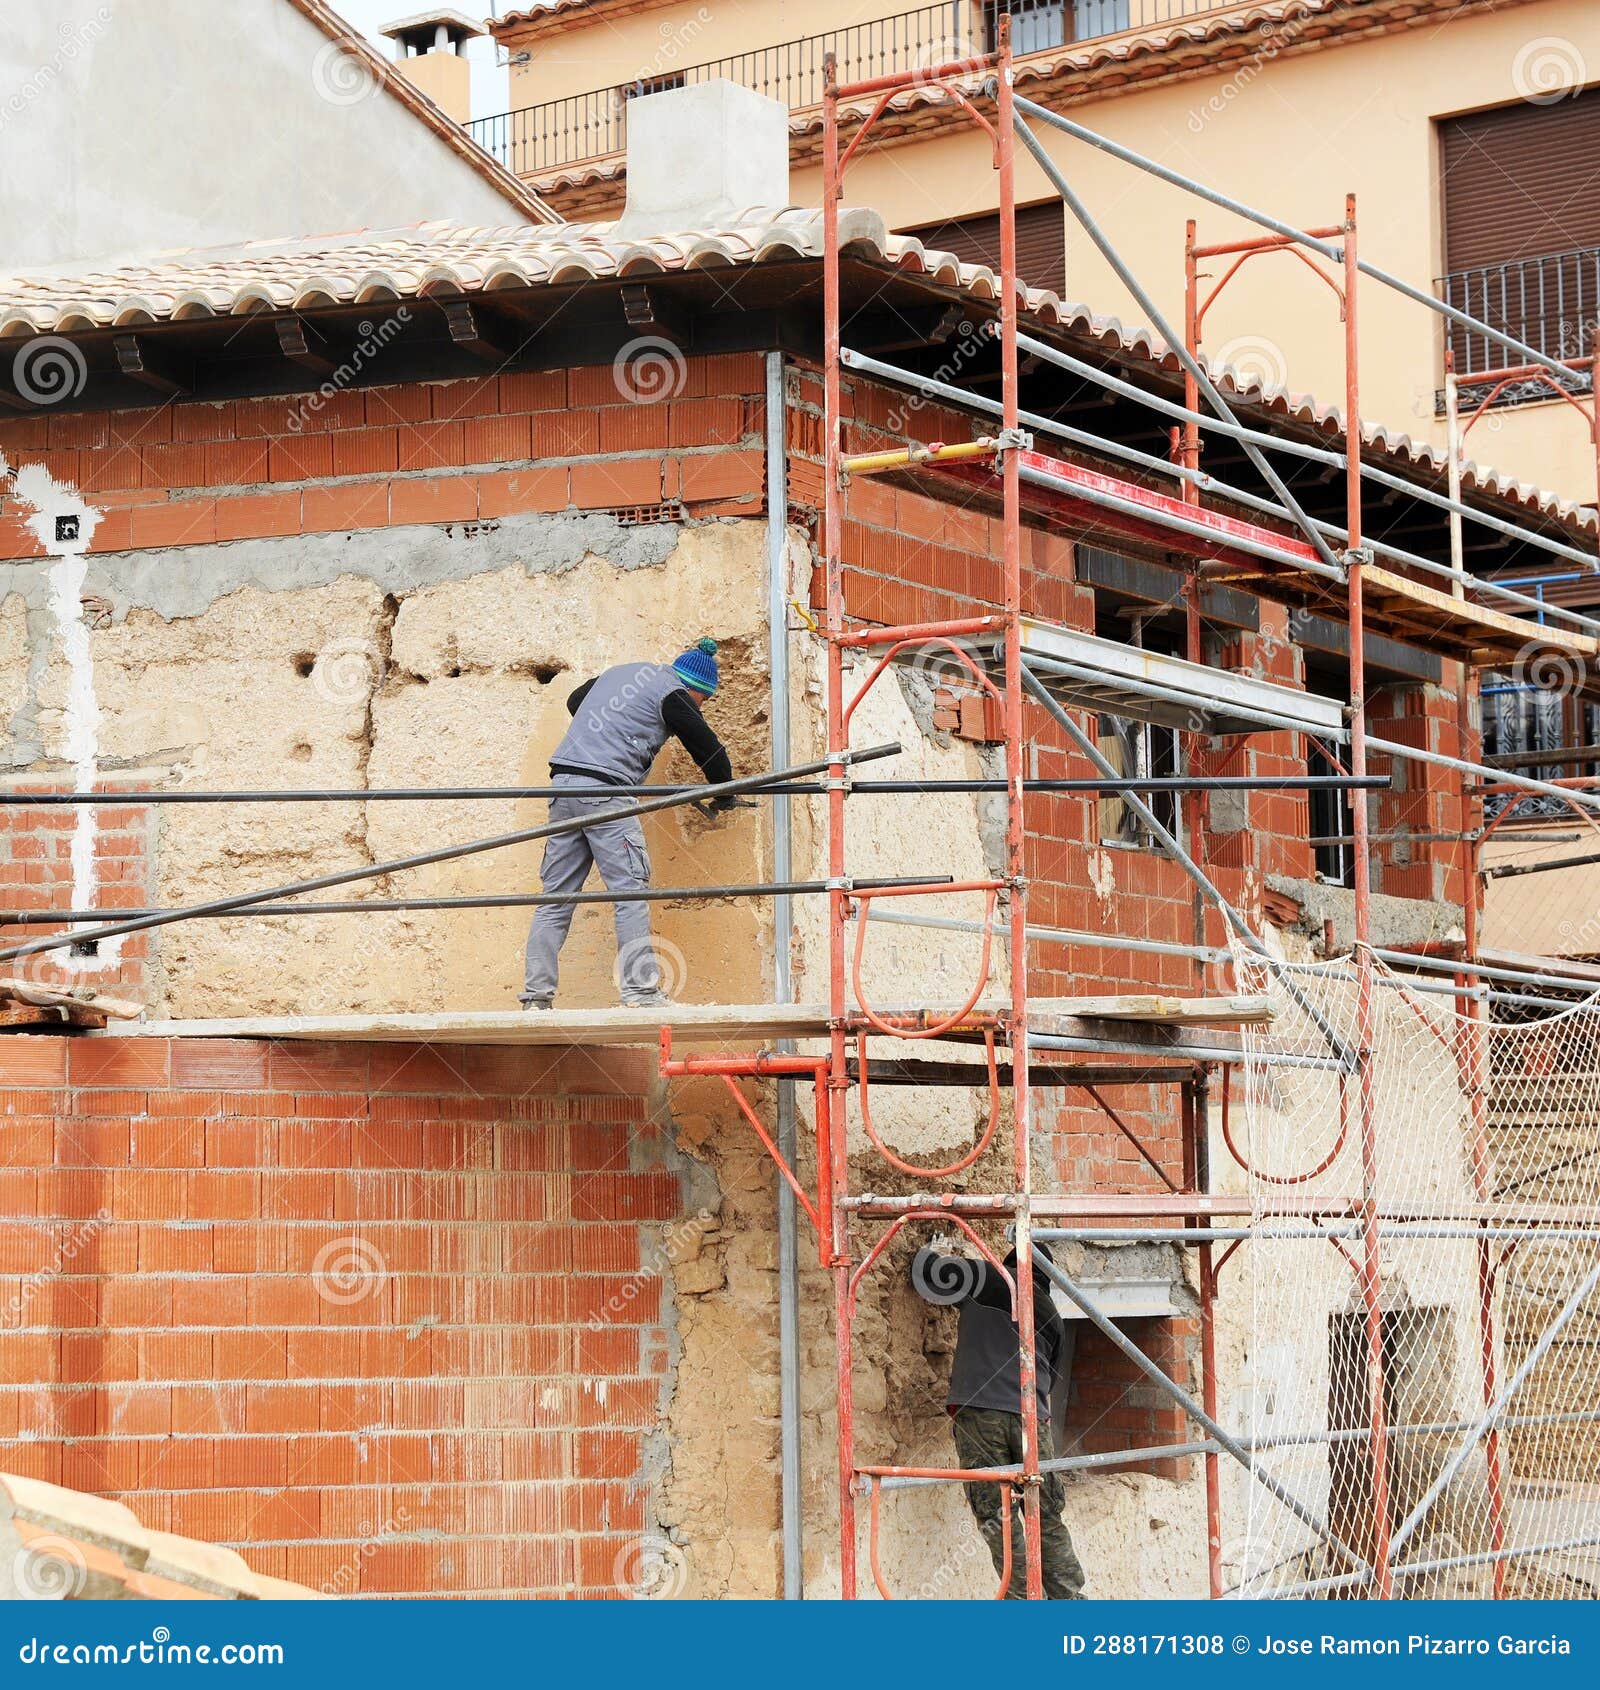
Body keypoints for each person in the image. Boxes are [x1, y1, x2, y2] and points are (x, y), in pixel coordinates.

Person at [521, 638, 739, 1009]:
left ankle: (535, 1000)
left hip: (563, 787)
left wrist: (611, 731)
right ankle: (640, 992)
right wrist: (726, 792)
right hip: (605, 791)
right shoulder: (675, 694)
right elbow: (706, 745)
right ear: (696, 689)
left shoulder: (622, 673)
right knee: (631, 892)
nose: (702, 706)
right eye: (706, 699)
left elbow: (576, 701)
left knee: (555, 898)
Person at [910, 1238, 1086, 1599]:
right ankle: (1069, 1601)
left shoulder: (987, 1276)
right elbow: (1049, 1380)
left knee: (998, 1517)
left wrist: (933, 1249)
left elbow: (925, 1275)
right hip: (1032, 1422)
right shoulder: (1051, 1313)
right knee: (1046, 1515)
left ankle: (1023, 1605)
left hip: (981, 1415)